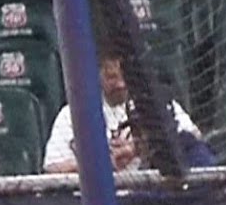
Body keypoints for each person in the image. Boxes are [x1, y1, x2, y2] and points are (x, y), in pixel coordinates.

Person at [43, 52, 209, 173]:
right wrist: (100, 166)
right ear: (98, 74)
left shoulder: (156, 104)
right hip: (96, 201)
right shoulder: (73, 113)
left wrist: (140, 148)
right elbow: (52, 168)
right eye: (112, 77)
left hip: (148, 197)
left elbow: (194, 138)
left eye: (125, 76)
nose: (121, 84)